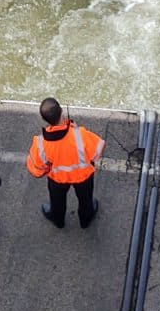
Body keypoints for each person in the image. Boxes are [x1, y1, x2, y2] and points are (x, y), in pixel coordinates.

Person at [25, 97, 104, 229]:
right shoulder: (80, 134)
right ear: (61, 112)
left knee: (57, 201)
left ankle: (58, 220)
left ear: (44, 119)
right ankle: (85, 220)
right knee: (86, 200)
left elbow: (36, 170)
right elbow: (97, 151)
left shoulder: (40, 144)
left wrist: (48, 168)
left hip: (57, 180)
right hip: (83, 177)